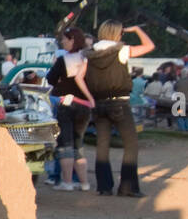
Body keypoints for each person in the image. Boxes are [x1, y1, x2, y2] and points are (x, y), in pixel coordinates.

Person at [84, 20, 154, 196]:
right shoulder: (121, 50)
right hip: (119, 102)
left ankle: (104, 186)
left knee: (102, 144)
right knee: (131, 144)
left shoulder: (90, 54)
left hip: (98, 103)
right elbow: (149, 46)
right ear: (118, 34)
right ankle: (128, 186)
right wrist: (137, 29)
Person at [46, 26, 95, 190]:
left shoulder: (63, 60)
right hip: (85, 106)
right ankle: (84, 183)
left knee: (65, 144)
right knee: (78, 144)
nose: (63, 42)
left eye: (65, 40)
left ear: (72, 40)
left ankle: (67, 182)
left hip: (67, 103)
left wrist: (61, 81)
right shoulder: (88, 58)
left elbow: (51, 79)